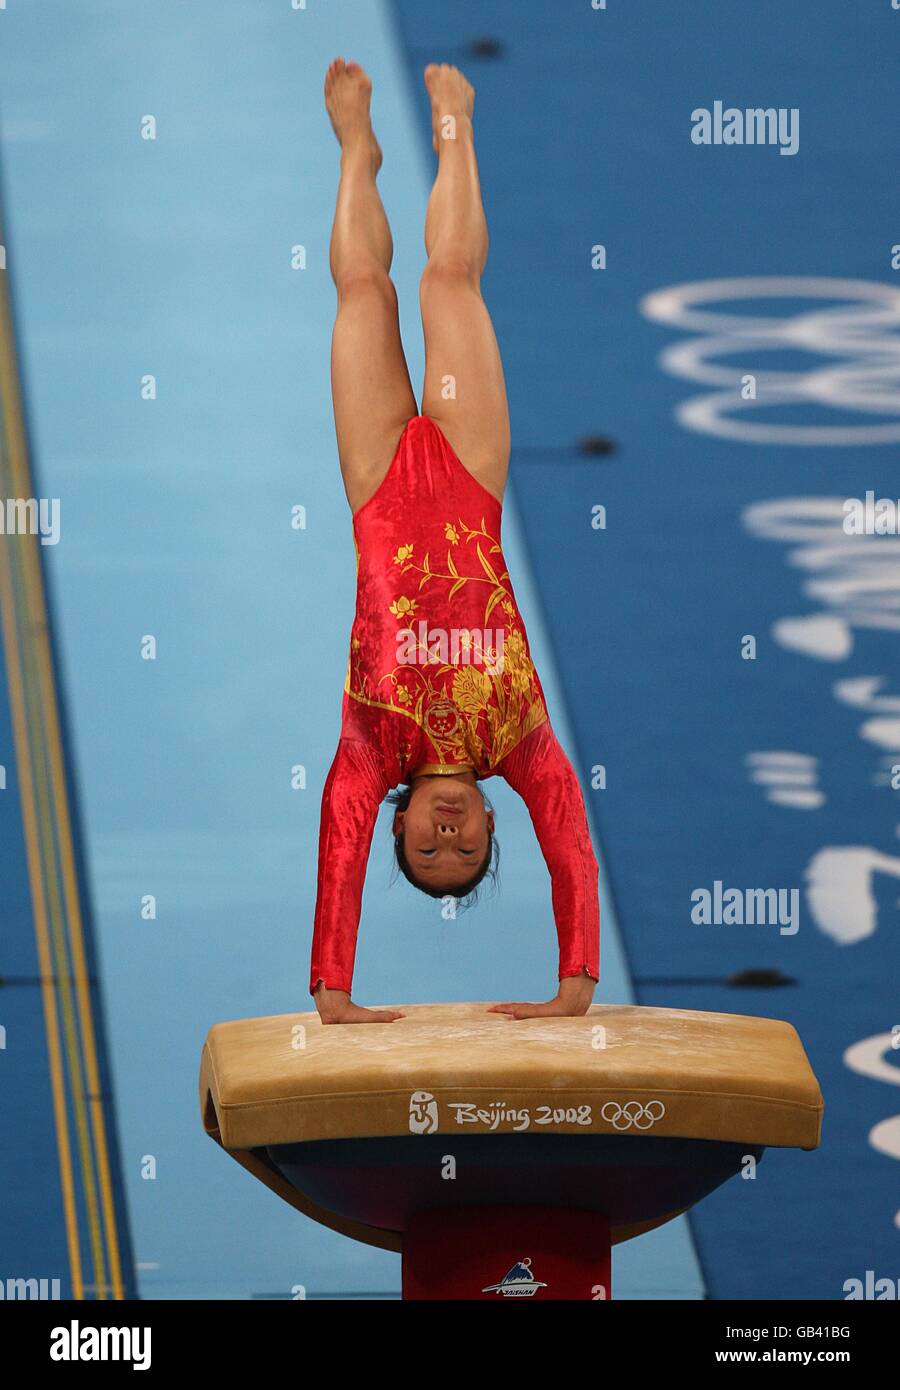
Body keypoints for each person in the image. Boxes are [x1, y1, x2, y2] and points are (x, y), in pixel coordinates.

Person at [311, 58, 600, 1024]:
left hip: (376, 483)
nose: (446, 837)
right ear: (488, 819)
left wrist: (334, 993)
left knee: (362, 289)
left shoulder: (371, 747)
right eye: (466, 849)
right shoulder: (518, 740)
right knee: (445, 280)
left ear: (398, 822)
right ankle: (455, 129)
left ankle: (357, 148)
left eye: (425, 851)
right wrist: (575, 987)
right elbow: (570, 844)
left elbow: (336, 847)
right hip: (470, 475)